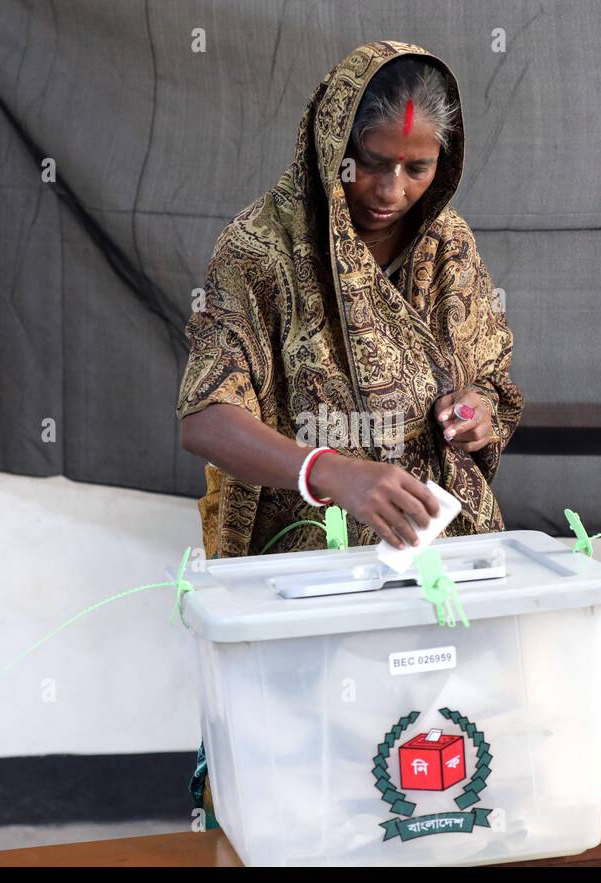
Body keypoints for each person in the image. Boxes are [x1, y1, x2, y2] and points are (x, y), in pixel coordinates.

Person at [176, 41, 523, 831]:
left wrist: (477, 414)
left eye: (417, 168)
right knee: (312, 801)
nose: (390, 190)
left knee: (437, 793)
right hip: (304, 582)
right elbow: (205, 414)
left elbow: (497, 387)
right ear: (333, 141)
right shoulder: (262, 251)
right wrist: (334, 472)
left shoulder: (448, 246)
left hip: (440, 570)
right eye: (371, 162)